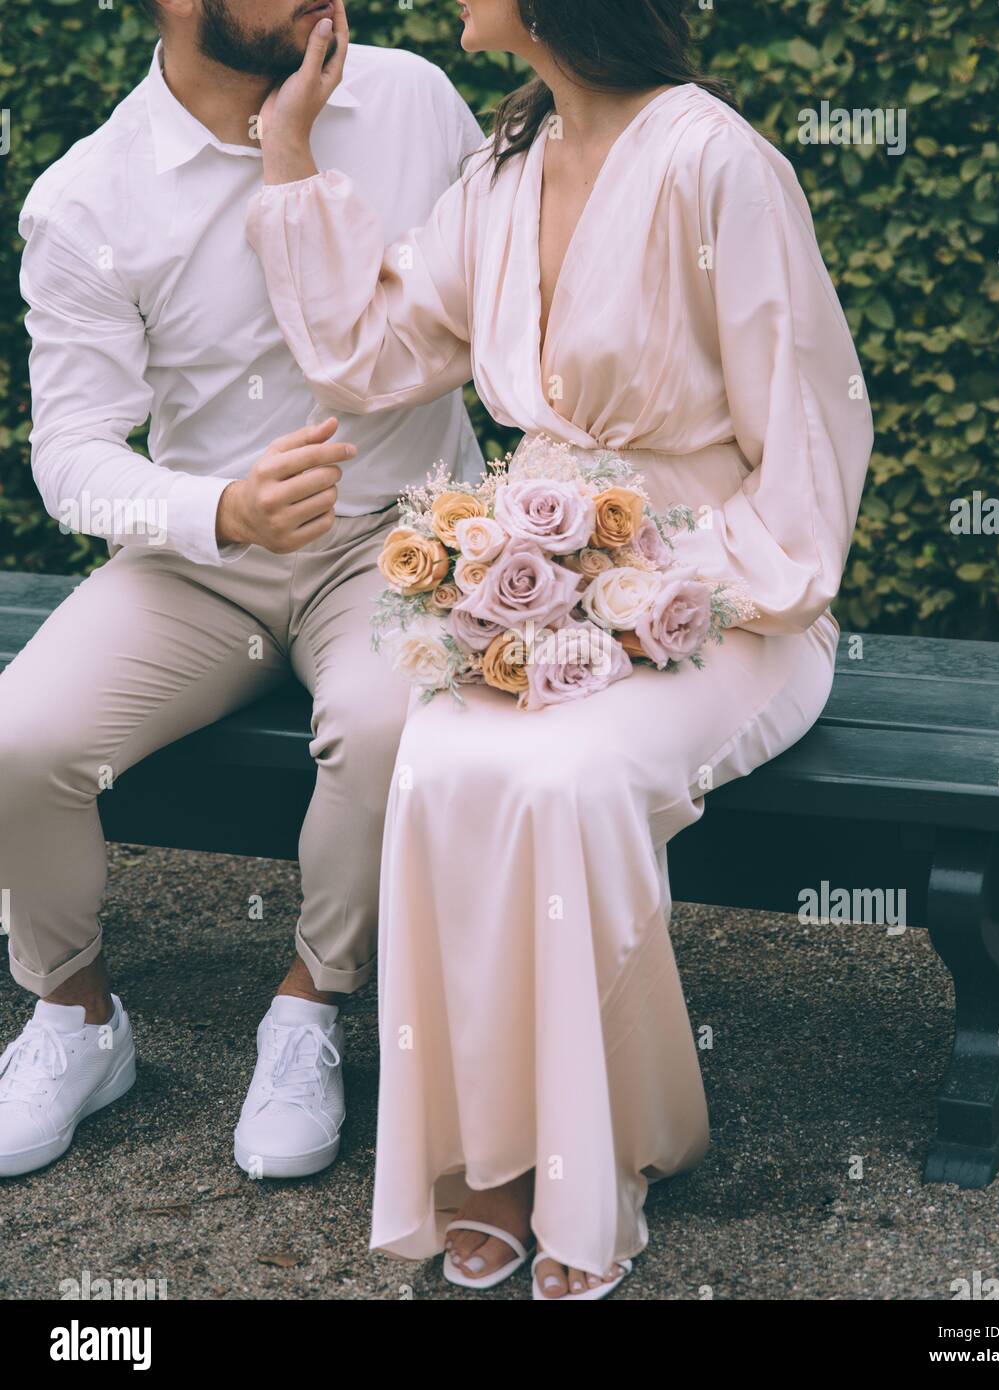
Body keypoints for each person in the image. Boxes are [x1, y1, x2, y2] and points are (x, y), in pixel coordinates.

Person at [249, 0, 874, 1299]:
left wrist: (667, 573)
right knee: (433, 764)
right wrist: (286, 152)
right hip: (527, 572)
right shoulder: (502, 168)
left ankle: (604, 1162)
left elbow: (808, 436)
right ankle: (483, 1152)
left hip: (724, 596)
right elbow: (372, 351)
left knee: (568, 780)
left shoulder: (717, 163)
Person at [0, 0, 484, 1181]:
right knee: (19, 738)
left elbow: (504, 291)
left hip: (397, 540)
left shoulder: (414, 98)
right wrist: (219, 510)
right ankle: (76, 1017)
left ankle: (308, 1005)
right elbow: (71, 456)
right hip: (201, 561)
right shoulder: (89, 196)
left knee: (383, 725)